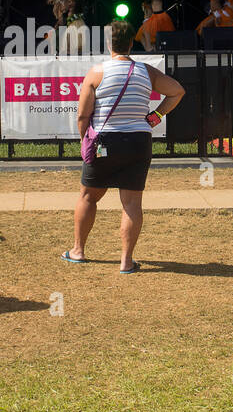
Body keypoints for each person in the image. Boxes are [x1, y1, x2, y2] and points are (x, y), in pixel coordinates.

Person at [65, 19, 185, 273]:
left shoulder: (96, 73)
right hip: (138, 141)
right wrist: (155, 117)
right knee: (131, 203)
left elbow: (82, 116)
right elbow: (177, 91)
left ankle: (78, 251)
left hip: (104, 142)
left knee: (88, 196)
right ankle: (126, 261)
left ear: (108, 43)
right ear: (132, 43)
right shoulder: (146, 71)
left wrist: (83, 140)